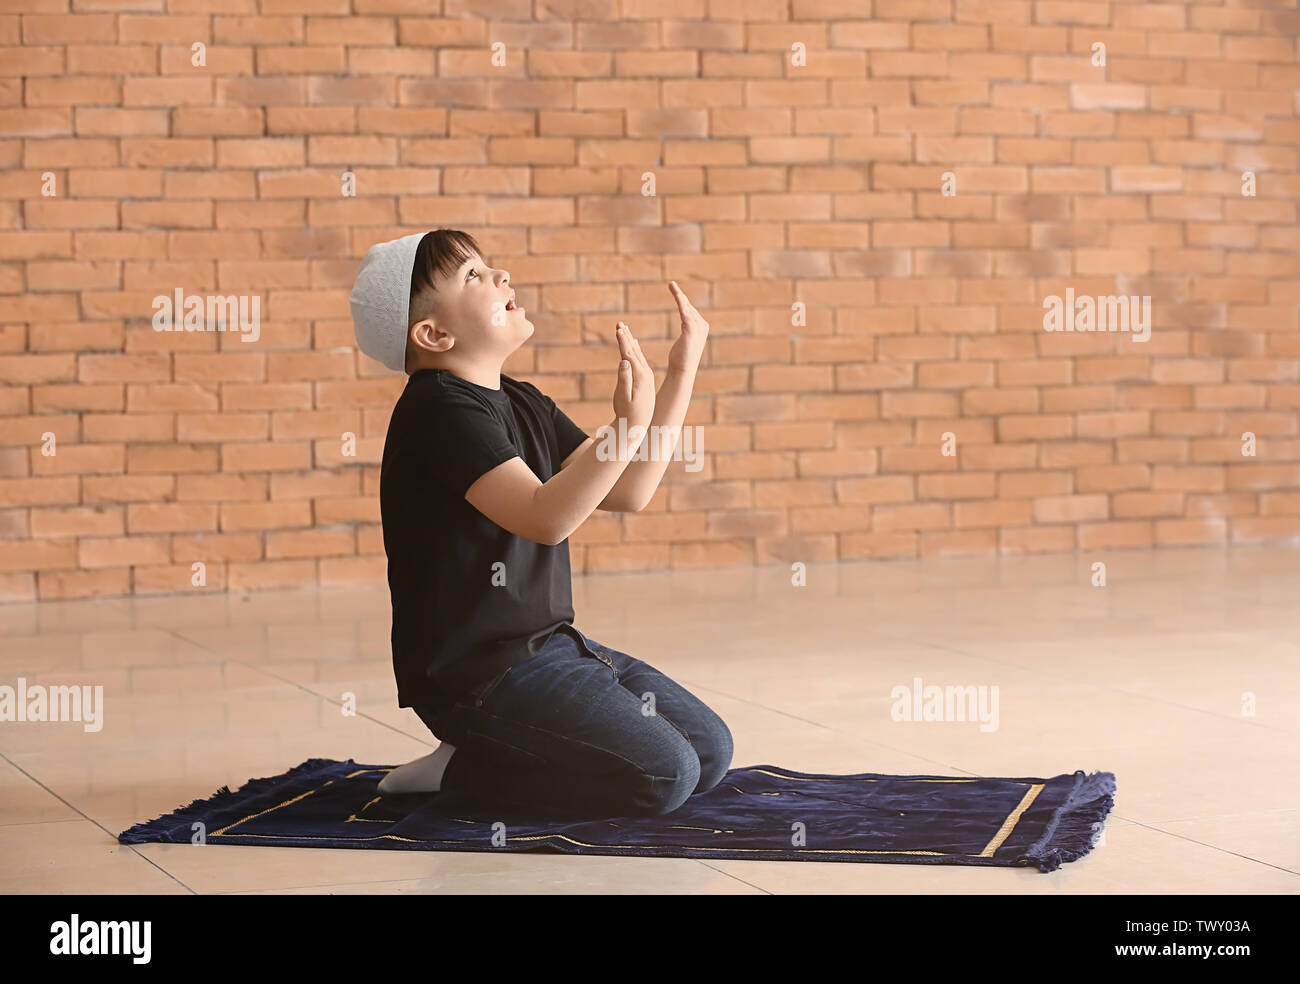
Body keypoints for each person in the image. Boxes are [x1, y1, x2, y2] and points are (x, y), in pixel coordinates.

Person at [348, 229, 733, 819]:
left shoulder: (520, 398)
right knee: (663, 773)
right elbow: (545, 519)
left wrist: (680, 374)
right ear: (432, 335)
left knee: (709, 749)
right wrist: (627, 424)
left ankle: (481, 755)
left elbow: (628, 490)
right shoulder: (438, 410)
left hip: (549, 648)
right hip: (476, 674)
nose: (500, 276)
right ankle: (463, 766)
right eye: (472, 276)